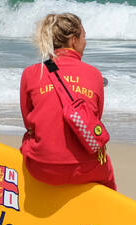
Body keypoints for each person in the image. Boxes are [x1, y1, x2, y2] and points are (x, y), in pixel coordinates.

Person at [19, 11, 116, 190]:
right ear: (73, 40)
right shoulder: (94, 75)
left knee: (29, 141)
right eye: (84, 37)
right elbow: (93, 119)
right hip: (85, 170)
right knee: (107, 168)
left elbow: (29, 124)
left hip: (41, 168)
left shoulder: (31, 73)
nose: (85, 43)